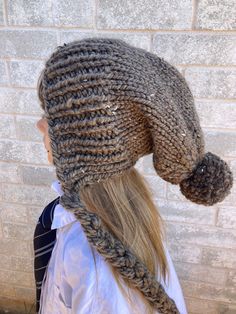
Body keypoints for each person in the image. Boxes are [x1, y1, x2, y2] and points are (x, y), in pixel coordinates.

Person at [33, 37, 233, 314]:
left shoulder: (93, 267)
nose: (39, 124)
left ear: (89, 141)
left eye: (50, 115)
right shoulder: (118, 216)